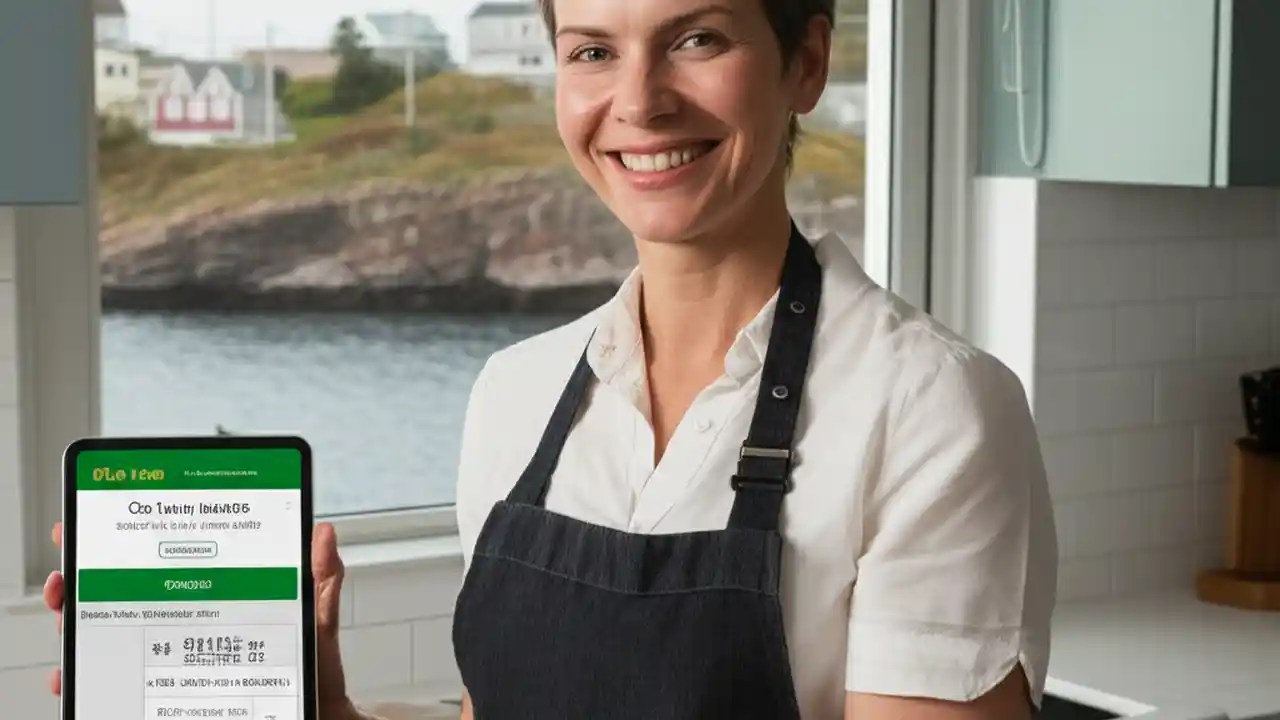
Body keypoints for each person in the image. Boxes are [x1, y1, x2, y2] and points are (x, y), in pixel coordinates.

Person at [44, 0, 1057, 717]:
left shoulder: (927, 409)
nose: (640, 101)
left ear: (803, 62)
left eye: (695, 37)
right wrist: (332, 713)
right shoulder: (516, 395)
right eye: (590, 51)